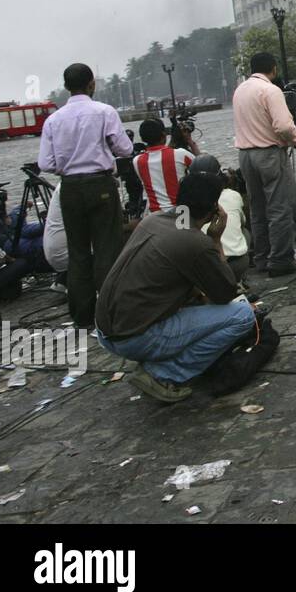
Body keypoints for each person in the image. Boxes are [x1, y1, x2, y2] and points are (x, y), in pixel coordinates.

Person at [94, 171, 254, 403]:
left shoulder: (153, 219)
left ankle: (159, 357)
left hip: (106, 329)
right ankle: (163, 374)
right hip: (132, 337)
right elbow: (226, 293)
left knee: (196, 300)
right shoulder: (196, 242)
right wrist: (216, 240)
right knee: (242, 315)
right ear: (214, 208)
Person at [37, 63, 134, 326]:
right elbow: (124, 149)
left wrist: (66, 165)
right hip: (100, 184)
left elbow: (45, 163)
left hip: (69, 187)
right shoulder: (103, 112)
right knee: (107, 248)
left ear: (67, 86)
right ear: (91, 83)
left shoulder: (53, 120)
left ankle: (82, 315)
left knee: (78, 251)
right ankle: (109, 311)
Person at [232, 53, 296, 276]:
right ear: (273, 69)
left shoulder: (240, 90)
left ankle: (261, 257)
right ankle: (281, 259)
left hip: (245, 155)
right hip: (269, 153)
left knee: (257, 207)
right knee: (280, 207)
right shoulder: (270, 90)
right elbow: (282, 125)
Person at [191, 156, 250, 282]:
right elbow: (242, 222)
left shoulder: (186, 204)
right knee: (245, 232)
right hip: (235, 264)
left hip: (204, 266)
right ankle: (237, 280)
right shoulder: (233, 195)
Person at [132, 117, 195, 212]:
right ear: (164, 135)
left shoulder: (137, 161)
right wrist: (190, 141)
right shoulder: (181, 154)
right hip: (180, 214)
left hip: (154, 216)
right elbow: (204, 165)